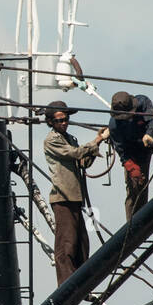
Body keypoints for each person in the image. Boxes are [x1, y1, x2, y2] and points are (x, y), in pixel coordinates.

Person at [43, 100, 109, 285]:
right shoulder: (52, 140)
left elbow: (82, 162)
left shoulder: (71, 138)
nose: (64, 123)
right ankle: (67, 283)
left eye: (66, 119)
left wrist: (97, 146)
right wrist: (97, 141)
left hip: (75, 197)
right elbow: (74, 154)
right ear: (51, 122)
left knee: (81, 243)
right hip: (62, 197)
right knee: (67, 244)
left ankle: (80, 281)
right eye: (59, 120)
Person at [108, 91, 153, 222]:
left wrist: (150, 133)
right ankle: (134, 225)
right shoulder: (114, 126)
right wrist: (132, 168)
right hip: (135, 153)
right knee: (136, 190)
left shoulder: (143, 102)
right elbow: (122, 152)